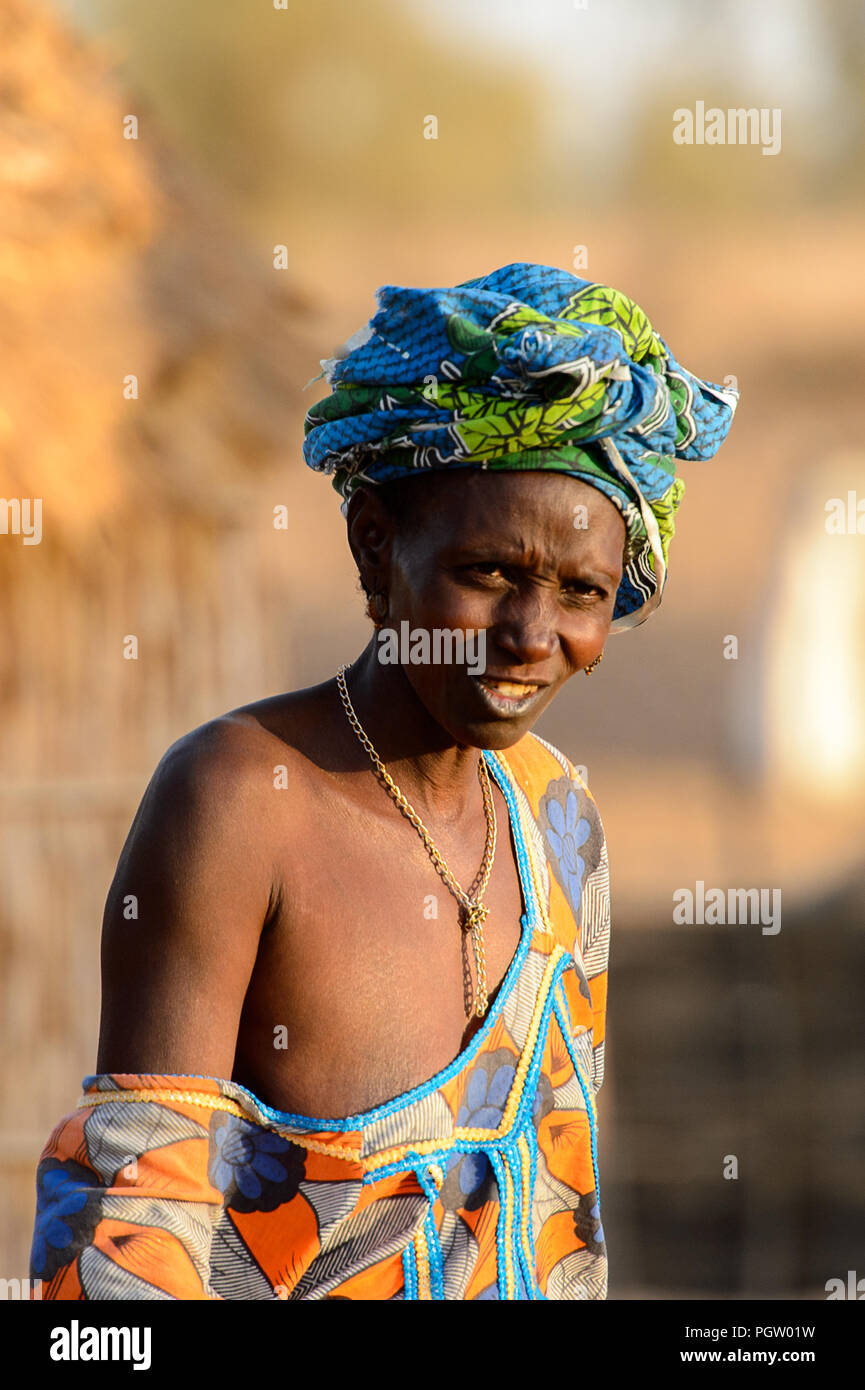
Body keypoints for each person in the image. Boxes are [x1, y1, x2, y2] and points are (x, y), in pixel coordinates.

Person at [29, 261, 738, 1300]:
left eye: (582, 592)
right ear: (377, 545)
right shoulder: (239, 802)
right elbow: (131, 1242)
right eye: (487, 572)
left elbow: (564, 1219)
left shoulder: (558, 822)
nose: (531, 637)